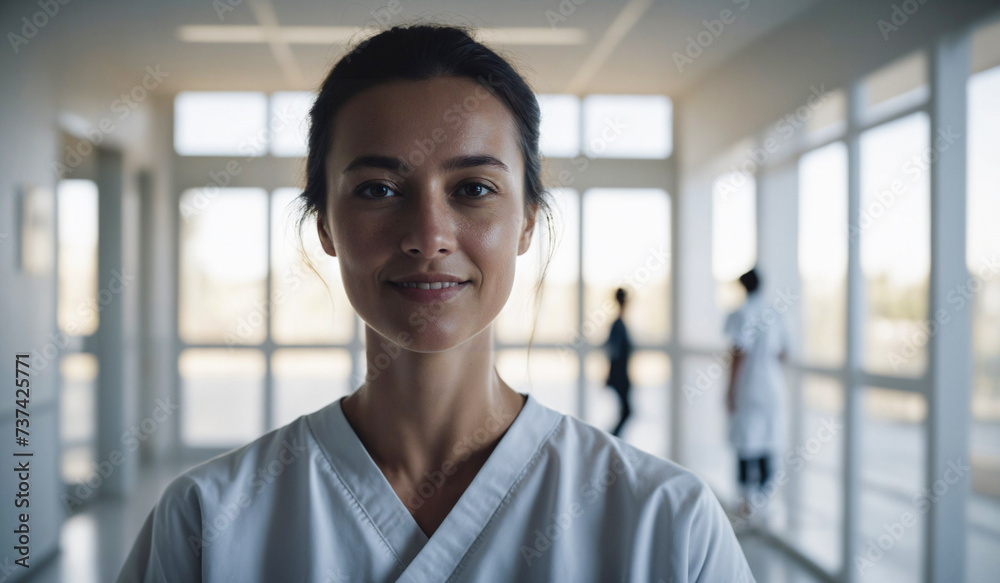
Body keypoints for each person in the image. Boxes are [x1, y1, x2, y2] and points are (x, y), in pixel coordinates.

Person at [116, 24, 756, 583]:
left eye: (474, 188)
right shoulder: (207, 523)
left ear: (528, 220)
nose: (427, 236)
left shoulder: (668, 524)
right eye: (377, 189)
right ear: (325, 226)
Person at [724, 268, 789, 523]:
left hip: (749, 386)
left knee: (745, 442)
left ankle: (747, 503)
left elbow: (739, 352)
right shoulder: (775, 313)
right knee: (767, 442)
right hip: (772, 387)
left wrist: (730, 390)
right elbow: (784, 352)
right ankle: (763, 503)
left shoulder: (742, 312)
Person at [604, 287, 633, 437]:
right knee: (626, 412)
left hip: (622, 375)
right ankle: (612, 439)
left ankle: (613, 439)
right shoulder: (617, 326)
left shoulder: (620, 324)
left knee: (625, 412)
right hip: (619, 376)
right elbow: (613, 353)